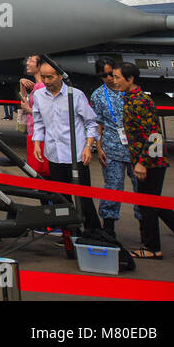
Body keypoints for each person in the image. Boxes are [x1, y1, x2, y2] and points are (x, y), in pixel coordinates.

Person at [111, 62, 174, 259]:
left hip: (151, 162)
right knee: (153, 203)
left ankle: (153, 248)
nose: (114, 81)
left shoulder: (141, 101)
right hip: (146, 160)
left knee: (148, 205)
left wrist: (143, 162)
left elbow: (155, 136)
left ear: (130, 79)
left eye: (117, 77)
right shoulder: (130, 99)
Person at [30, 59, 101, 233]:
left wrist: (88, 146)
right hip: (54, 155)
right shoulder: (39, 95)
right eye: (44, 77)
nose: (46, 81)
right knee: (61, 199)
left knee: (84, 198)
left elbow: (91, 123)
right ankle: (69, 234)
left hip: (75, 154)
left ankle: (94, 232)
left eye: (50, 77)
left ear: (60, 76)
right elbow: (38, 121)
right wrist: (37, 143)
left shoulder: (74, 95)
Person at [89, 57, 137, 232]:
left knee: (141, 190)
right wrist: (99, 147)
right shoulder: (98, 96)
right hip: (111, 147)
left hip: (134, 149)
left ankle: (145, 230)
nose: (109, 78)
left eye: (111, 74)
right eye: (104, 75)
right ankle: (108, 230)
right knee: (113, 186)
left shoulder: (129, 91)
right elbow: (97, 124)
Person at [18, 54, 48, 174]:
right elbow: (25, 101)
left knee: (40, 173)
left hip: (40, 135)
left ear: (39, 66)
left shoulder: (41, 87)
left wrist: (28, 109)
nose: (27, 63)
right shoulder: (37, 86)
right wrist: (21, 83)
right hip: (34, 133)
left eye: (31, 60)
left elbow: (45, 113)